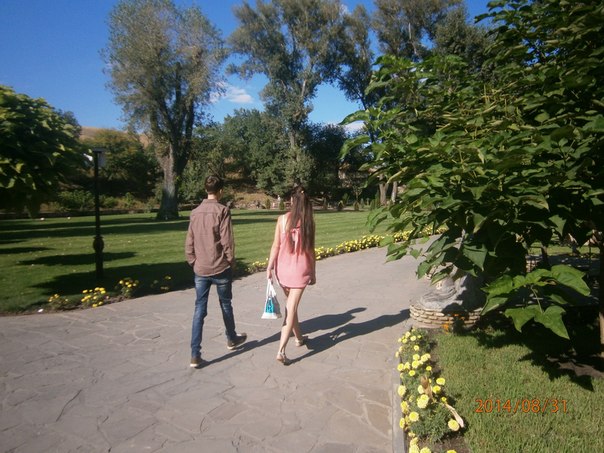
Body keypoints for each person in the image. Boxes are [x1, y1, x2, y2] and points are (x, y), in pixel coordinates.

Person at [185, 175, 246, 368]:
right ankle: (231, 337)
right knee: (225, 304)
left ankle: (195, 354)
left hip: (201, 268)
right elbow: (227, 240)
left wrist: (192, 260)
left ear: (206, 189)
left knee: (199, 309)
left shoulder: (195, 212)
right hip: (220, 267)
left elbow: (189, 240)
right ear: (220, 191)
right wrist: (231, 261)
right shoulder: (222, 210)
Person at [266, 185, 316, 365]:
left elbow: (275, 245)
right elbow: (311, 251)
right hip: (300, 270)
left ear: (292, 200)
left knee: (291, 306)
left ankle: (299, 338)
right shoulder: (308, 222)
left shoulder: (282, 220)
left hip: (283, 270)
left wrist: (269, 266)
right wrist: (313, 272)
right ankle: (281, 350)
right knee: (291, 308)